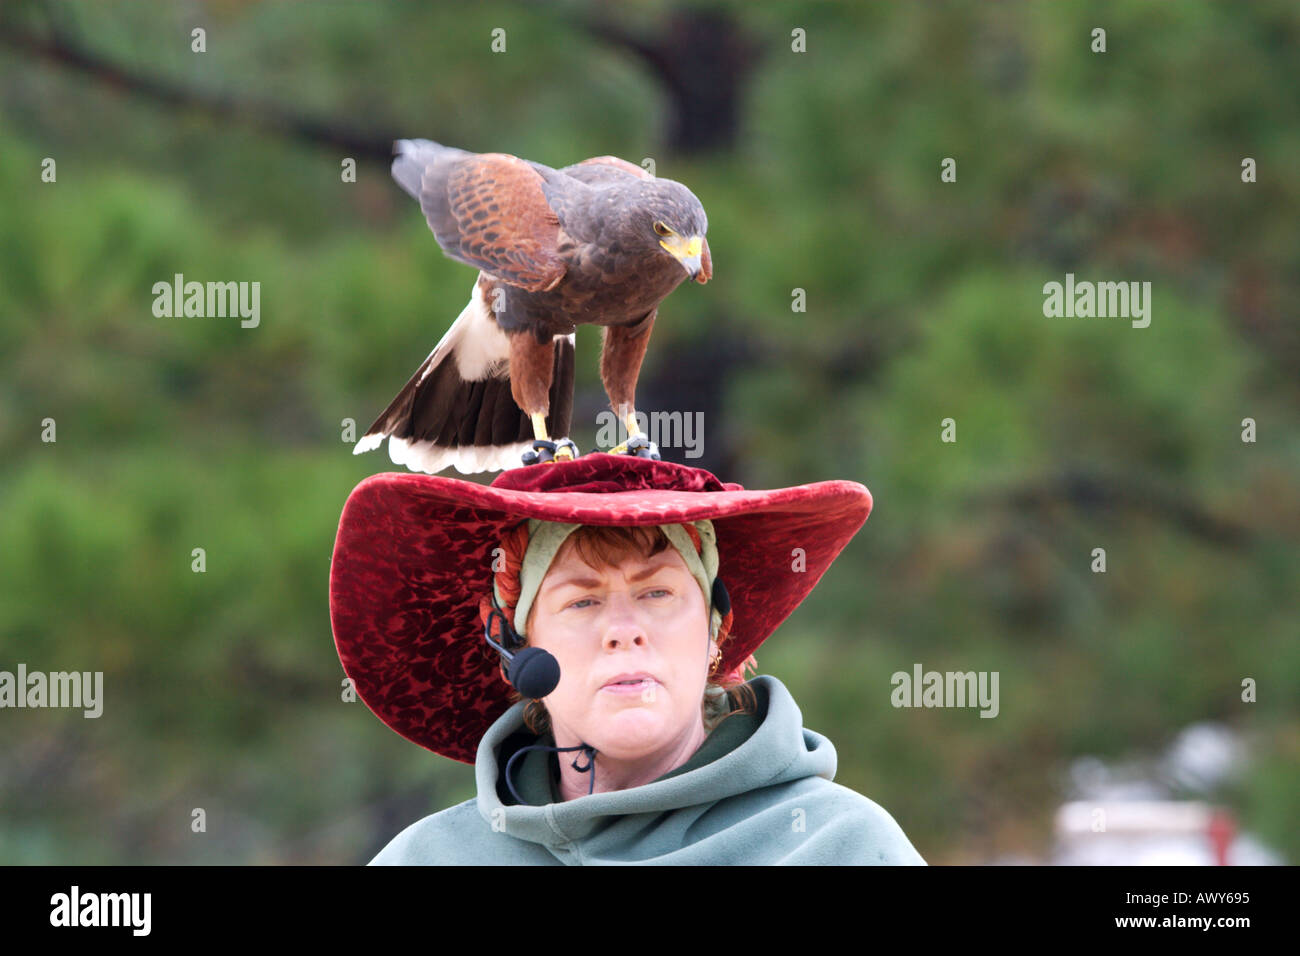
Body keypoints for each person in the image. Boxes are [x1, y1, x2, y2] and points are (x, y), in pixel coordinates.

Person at [329, 451, 925, 865]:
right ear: (516, 645)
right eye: (582, 601)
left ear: (717, 628)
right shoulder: (431, 860)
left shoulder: (837, 848)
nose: (623, 631)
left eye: (657, 593)